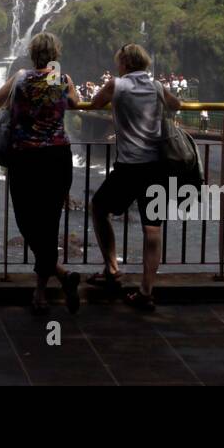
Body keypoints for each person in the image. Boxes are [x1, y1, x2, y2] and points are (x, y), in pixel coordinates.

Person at [80, 43, 180, 312]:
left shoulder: (117, 85)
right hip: (156, 166)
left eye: (119, 62)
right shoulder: (157, 87)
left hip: (129, 165)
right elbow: (176, 105)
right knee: (152, 228)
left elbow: (94, 103)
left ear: (124, 64)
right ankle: (146, 291)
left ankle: (112, 269)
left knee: (99, 209)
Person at [0, 32, 80, 314]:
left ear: (32, 52)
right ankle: (53, 283)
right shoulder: (62, 79)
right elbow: (76, 103)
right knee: (49, 224)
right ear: (55, 53)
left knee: (27, 222)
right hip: (57, 158)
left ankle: (46, 289)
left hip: (25, 158)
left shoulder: (20, 78)